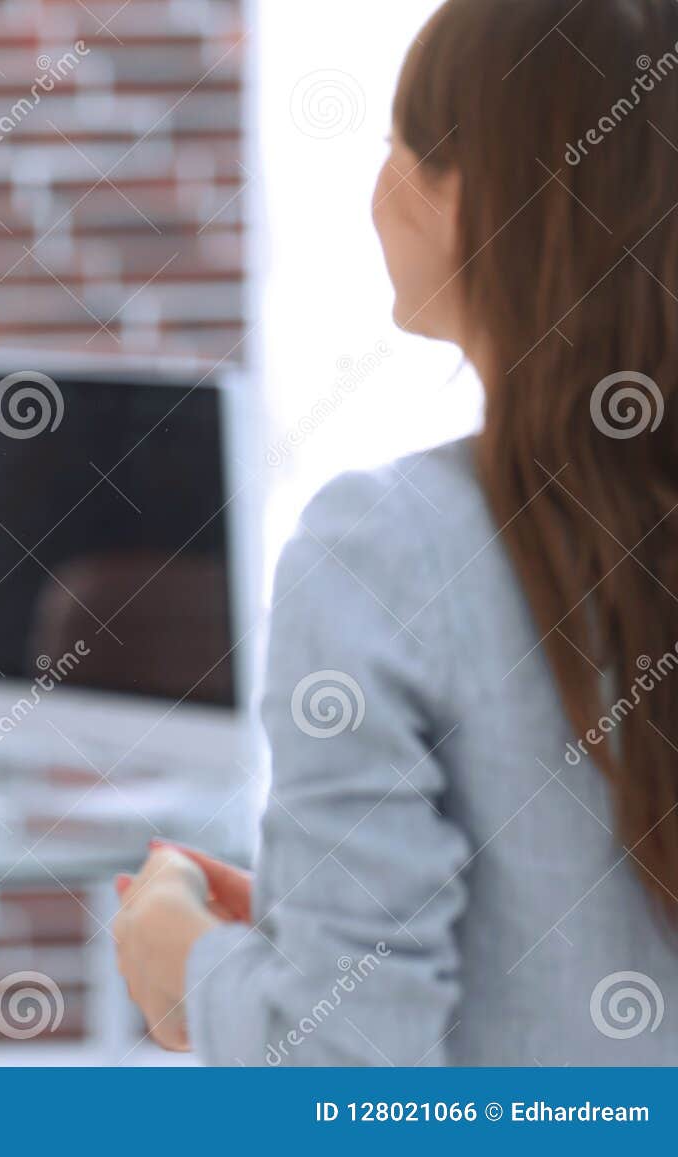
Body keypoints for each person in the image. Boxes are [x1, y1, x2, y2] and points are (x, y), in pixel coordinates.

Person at [113, 0, 678, 1065]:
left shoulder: (385, 549)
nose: (381, 189)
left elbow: (347, 1081)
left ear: (480, 195)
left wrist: (182, 956)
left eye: (401, 147)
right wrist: (306, 938)